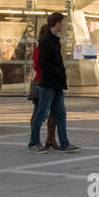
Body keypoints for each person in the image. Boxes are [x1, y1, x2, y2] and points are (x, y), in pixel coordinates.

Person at [27, 12, 80, 154]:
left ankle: (64, 143)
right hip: (48, 84)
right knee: (41, 114)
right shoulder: (46, 41)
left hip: (56, 84)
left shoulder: (55, 40)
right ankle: (33, 142)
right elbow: (43, 64)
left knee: (61, 113)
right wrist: (58, 72)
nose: (62, 25)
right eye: (61, 22)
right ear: (56, 23)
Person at [29, 32, 61, 150]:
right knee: (39, 112)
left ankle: (50, 139)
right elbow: (37, 66)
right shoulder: (40, 48)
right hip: (41, 83)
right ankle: (34, 140)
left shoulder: (50, 47)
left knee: (54, 113)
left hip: (51, 83)